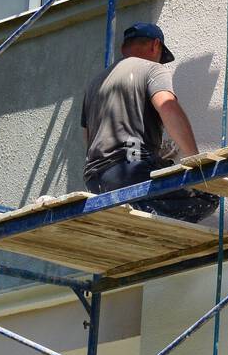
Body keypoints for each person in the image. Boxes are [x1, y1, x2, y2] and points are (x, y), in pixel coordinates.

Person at [80, 22, 219, 223]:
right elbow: (167, 106)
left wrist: (156, 154)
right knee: (207, 197)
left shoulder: (95, 83)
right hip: (131, 171)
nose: (160, 62)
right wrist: (196, 161)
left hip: (95, 181)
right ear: (155, 45)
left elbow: (89, 136)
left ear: (124, 48)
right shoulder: (152, 69)